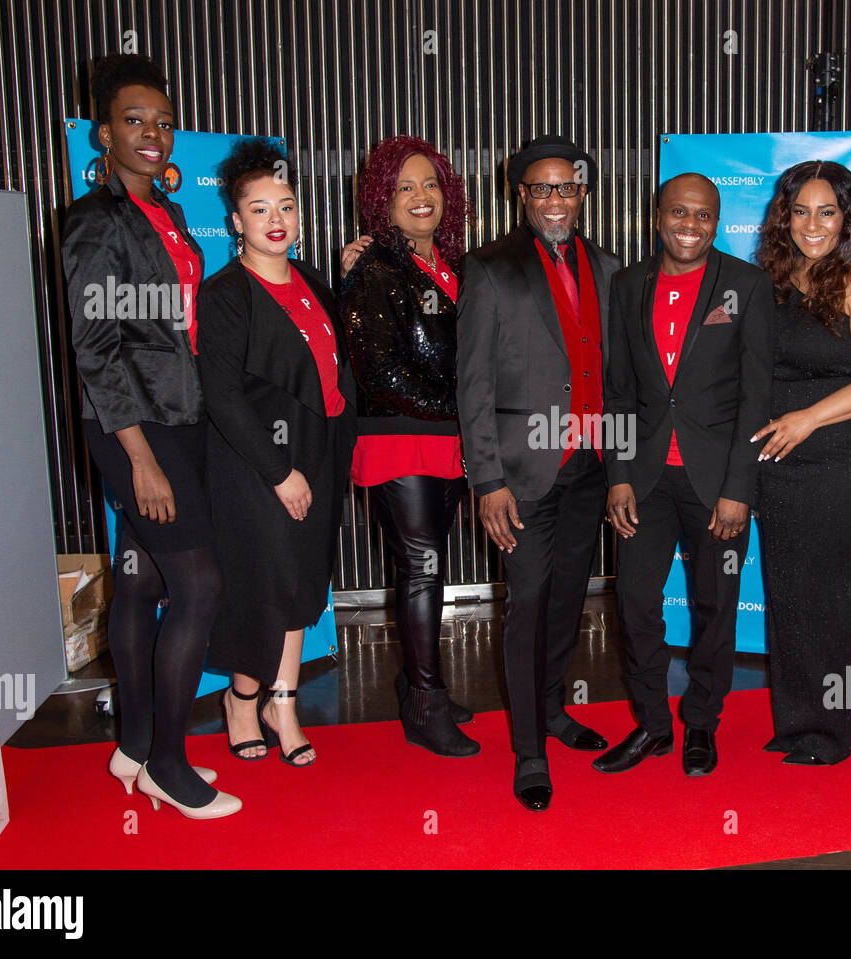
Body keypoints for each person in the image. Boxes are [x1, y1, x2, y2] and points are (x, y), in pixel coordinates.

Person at [62, 54, 237, 818]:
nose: (154, 134)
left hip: (180, 413)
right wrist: (140, 459)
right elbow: (95, 348)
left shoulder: (160, 214)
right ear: (103, 131)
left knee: (139, 579)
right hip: (136, 424)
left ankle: (132, 742)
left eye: (164, 122)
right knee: (197, 584)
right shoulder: (94, 223)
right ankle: (169, 758)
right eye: (135, 121)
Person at [457, 135, 620, 810]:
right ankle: (529, 749)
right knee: (526, 607)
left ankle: (553, 710)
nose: (555, 200)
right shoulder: (489, 267)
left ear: (583, 194)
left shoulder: (610, 267)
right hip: (521, 473)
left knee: (566, 602)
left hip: (589, 466)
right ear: (519, 195)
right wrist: (486, 479)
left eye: (567, 187)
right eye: (541, 188)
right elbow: (472, 383)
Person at [596, 173, 772, 777]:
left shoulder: (746, 285)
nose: (689, 225)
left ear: (717, 221)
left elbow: (756, 398)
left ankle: (701, 722)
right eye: (678, 213)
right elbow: (617, 391)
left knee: (715, 604)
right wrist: (618, 473)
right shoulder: (627, 284)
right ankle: (651, 725)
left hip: (716, 481)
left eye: (702, 215)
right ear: (658, 216)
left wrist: (737, 489)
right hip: (643, 480)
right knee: (636, 602)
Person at [199, 139, 356, 769]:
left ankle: (281, 706)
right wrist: (278, 472)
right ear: (235, 221)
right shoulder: (226, 294)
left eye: (285, 206)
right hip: (257, 468)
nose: (275, 219)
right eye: (258, 208)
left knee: (301, 588)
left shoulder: (314, 281)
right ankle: (242, 700)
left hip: (320, 456)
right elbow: (223, 396)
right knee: (261, 588)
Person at [753, 160, 851, 766]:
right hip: (781, 461)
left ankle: (826, 730)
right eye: (799, 211)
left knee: (829, 592)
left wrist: (809, 418)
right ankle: (797, 720)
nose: (812, 224)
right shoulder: (777, 277)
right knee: (790, 590)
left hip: (847, 459)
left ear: (847, 218)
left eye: (827, 211)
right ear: (782, 215)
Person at [340, 136, 476, 757]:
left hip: (444, 439)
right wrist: (465, 413)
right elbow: (381, 374)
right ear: (382, 201)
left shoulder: (449, 265)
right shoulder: (374, 270)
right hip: (404, 442)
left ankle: (421, 686)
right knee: (420, 571)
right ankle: (424, 704)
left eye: (430, 185)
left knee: (428, 569)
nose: (421, 198)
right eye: (404, 188)